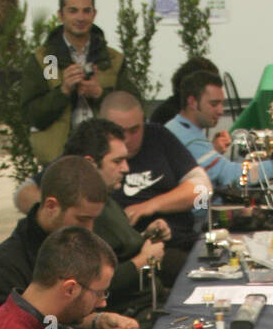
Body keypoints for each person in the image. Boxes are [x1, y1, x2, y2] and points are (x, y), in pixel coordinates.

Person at [0, 155, 136, 329]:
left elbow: (49, 324)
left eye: (94, 220)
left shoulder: (66, 244)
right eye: (82, 219)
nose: (89, 229)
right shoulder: (4, 268)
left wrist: (96, 320)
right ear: (51, 206)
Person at [63, 118, 187, 300]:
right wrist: (143, 261)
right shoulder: (81, 214)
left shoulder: (107, 200)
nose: (126, 168)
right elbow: (90, 286)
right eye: (117, 161)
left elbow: (119, 249)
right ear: (90, 164)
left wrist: (147, 235)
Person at [19, 0, 135, 165]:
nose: (80, 17)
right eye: (73, 11)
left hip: (104, 161)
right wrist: (63, 91)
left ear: (94, 14)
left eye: (86, 11)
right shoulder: (47, 59)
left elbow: (133, 111)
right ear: (61, 15)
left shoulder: (112, 59)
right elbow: (32, 115)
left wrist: (99, 94)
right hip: (58, 160)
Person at [99, 91, 211, 249]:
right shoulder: (92, 152)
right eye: (119, 132)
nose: (128, 139)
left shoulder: (158, 137)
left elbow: (202, 189)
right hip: (133, 249)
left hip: (181, 240)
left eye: (135, 130)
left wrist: (151, 206)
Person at [165, 72, 273, 190]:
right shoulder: (189, 139)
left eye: (221, 103)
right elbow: (231, 176)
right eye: (214, 104)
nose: (220, 111)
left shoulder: (178, 128)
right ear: (192, 102)